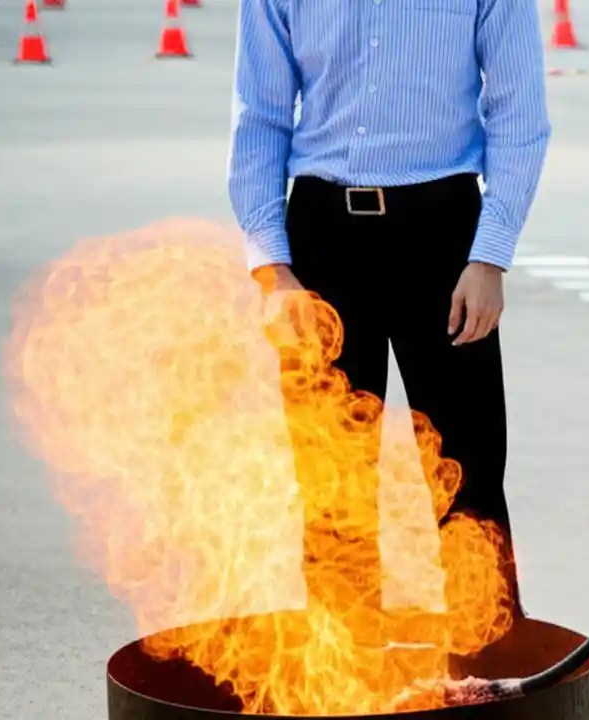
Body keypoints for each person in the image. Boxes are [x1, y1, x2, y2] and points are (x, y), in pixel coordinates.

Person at [227, 0, 550, 616]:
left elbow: (520, 115)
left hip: (444, 241)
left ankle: (489, 672)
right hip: (321, 243)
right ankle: (348, 685)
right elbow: (259, 119)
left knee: (470, 480)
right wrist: (275, 272)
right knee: (332, 488)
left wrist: (490, 257)